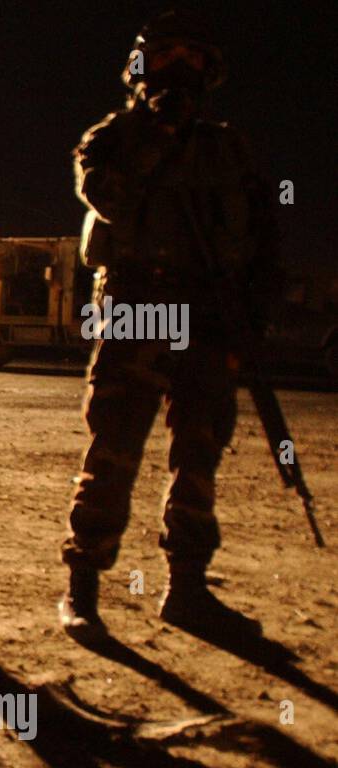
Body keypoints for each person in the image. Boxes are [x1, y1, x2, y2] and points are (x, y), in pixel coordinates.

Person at [57, 9, 281, 641]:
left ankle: (186, 589)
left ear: (210, 70)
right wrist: (160, 130)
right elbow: (108, 197)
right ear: (140, 67)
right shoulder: (112, 137)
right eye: (165, 53)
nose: (178, 64)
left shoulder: (229, 148)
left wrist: (251, 327)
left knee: (199, 456)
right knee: (114, 450)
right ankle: (84, 589)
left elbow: (264, 244)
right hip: (137, 307)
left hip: (209, 319)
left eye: (192, 54)